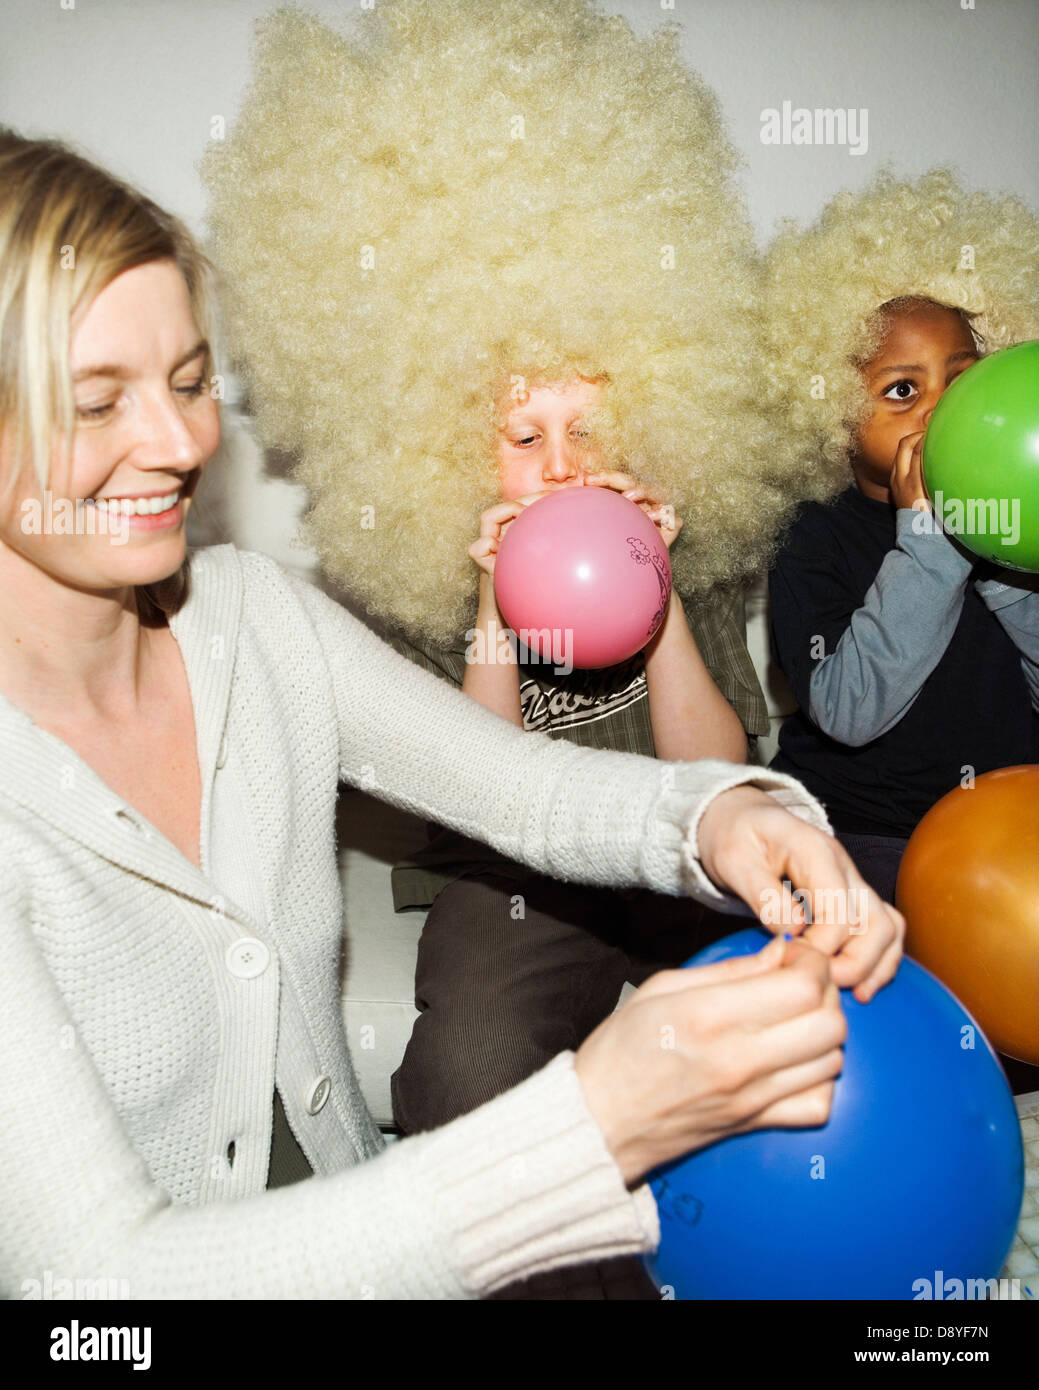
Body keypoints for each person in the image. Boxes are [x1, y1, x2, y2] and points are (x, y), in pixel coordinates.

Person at [0, 130, 903, 1300]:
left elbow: (520, 785)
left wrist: (725, 814)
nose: (178, 445)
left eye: (187, 382)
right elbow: (94, 1291)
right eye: (96, 401)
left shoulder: (253, 621)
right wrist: (594, 1125)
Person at [200, 11, 827, 1287]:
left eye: (585, 429)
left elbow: (711, 769)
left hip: (675, 873)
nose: (558, 467)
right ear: (442, 440)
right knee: (464, 1070)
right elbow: (481, 790)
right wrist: (492, 603)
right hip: (510, 888)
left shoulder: (680, 555)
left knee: (787, 1067)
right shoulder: (430, 588)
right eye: (520, 434)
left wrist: (654, 607)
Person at [763, 170, 1039, 905]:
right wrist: (932, 540)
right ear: (827, 417)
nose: (942, 413)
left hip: (1006, 819)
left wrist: (998, 548)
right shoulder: (811, 535)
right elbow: (848, 713)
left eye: (963, 378)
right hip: (860, 832)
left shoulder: (1021, 519)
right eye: (900, 391)